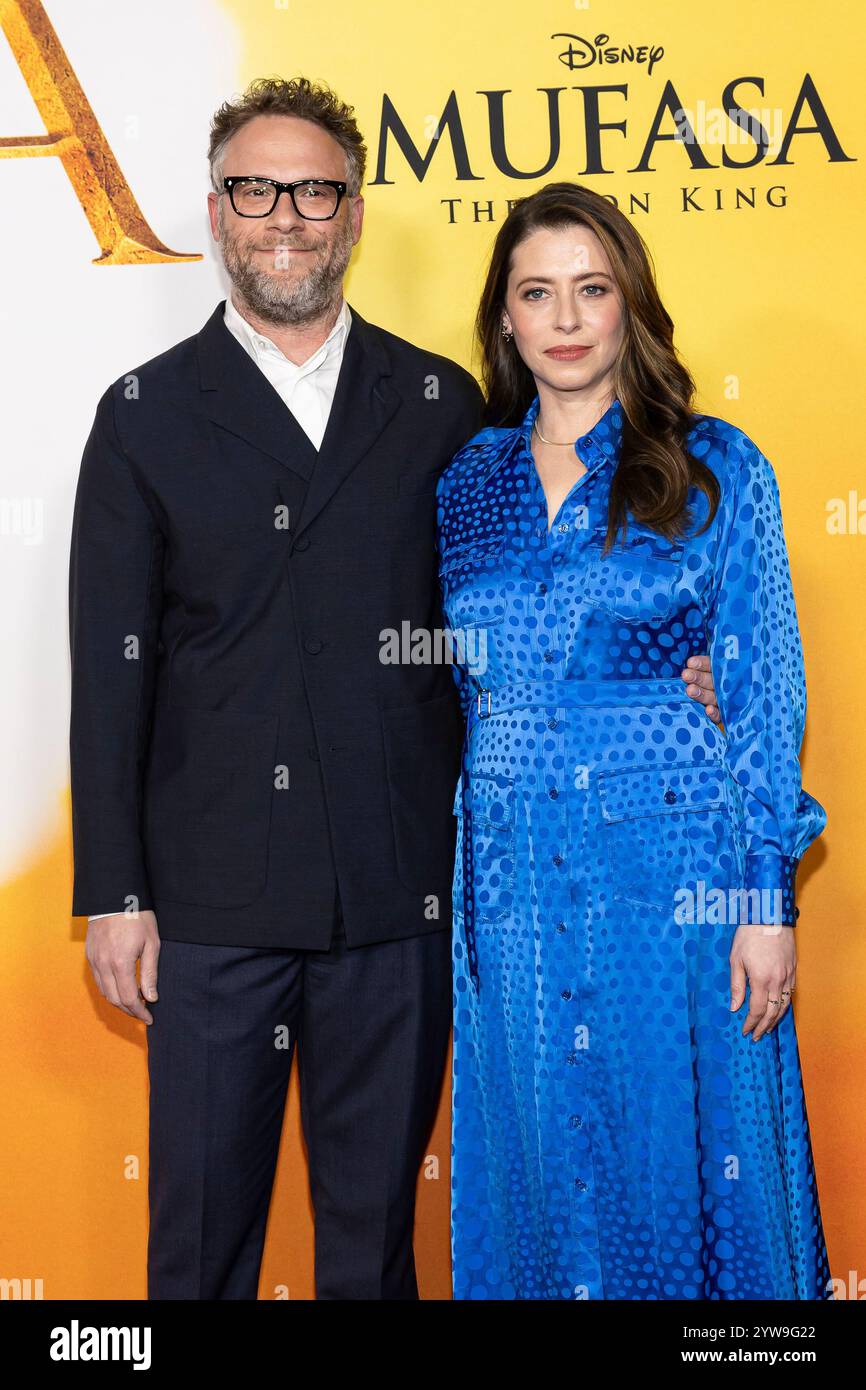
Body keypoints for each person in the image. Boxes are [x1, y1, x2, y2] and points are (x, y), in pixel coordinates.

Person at [69, 78, 720, 1300]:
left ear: (353, 214)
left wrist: (663, 667)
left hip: (397, 892)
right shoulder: (143, 416)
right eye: (256, 190)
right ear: (216, 213)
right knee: (199, 1249)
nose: (286, 218)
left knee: (373, 1249)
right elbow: (111, 673)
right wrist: (114, 889)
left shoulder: (443, 409)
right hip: (208, 904)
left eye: (314, 190)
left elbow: (537, 600)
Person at [436, 181, 831, 1300]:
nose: (564, 318)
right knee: (542, 1154)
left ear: (629, 308)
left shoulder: (713, 464)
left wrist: (765, 900)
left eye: (590, 289)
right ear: (504, 318)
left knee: (684, 1149)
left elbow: (764, 689)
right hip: (510, 885)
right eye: (535, 292)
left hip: (675, 881)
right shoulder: (464, 484)